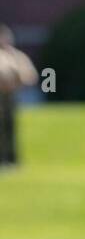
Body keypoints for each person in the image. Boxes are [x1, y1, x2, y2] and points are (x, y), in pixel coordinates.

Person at [0, 26, 38, 167]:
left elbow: (30, 75)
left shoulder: (17, 56)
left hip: (11, 96)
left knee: (10, 128)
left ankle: (11, 159)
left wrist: (20, 78)